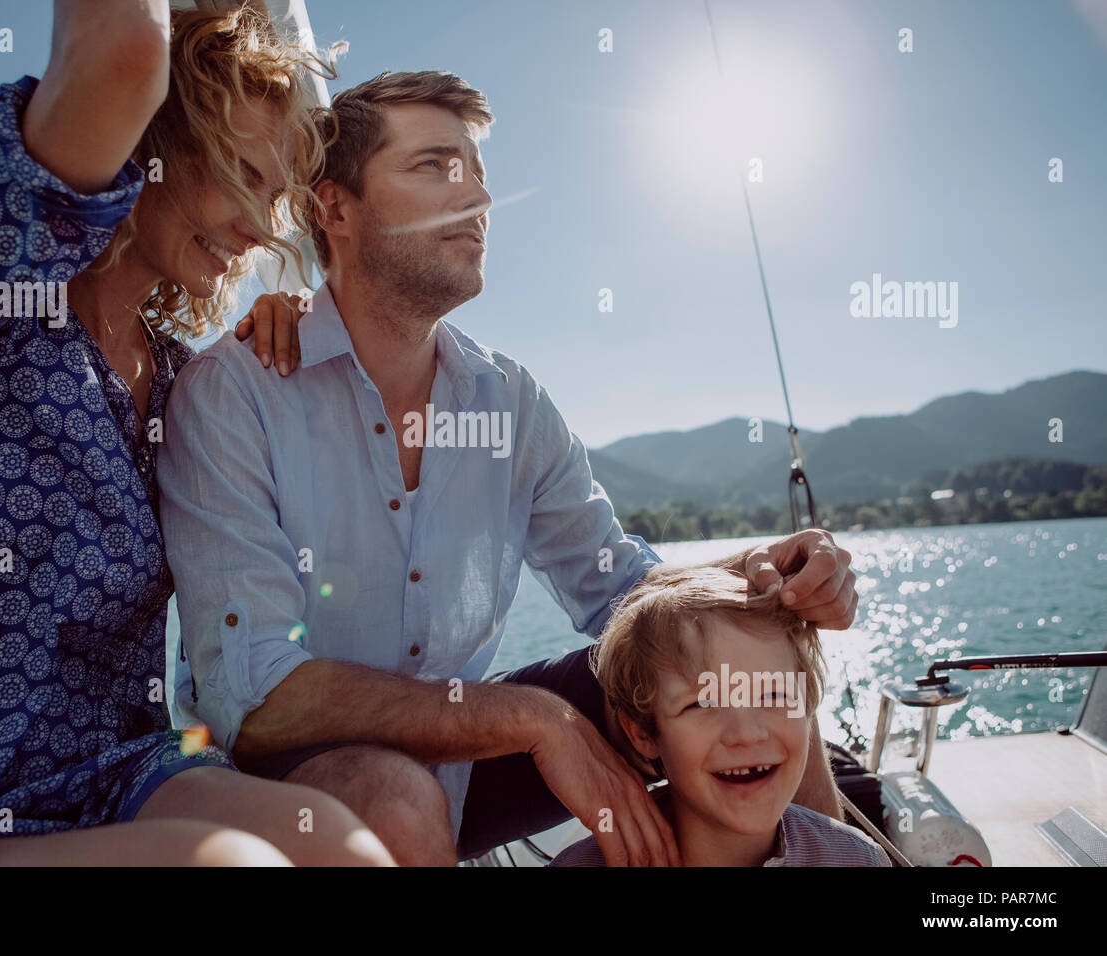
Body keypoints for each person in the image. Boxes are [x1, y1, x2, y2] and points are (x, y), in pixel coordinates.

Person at [160, 70, 858, 867]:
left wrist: (762, 573)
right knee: (393, 797)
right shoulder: (234, 393)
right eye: (434, 166)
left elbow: (621, 591)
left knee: (746, 644)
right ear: (335, 207)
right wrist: (534, 719)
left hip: (468, 762)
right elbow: (254, 698)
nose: (480, 200)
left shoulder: (509, 401)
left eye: (479, 176)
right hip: (287, 781)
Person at [0, 1, 390, 867]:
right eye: (238, 172)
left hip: (119, 774)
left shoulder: (190, 389)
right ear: (145, 144)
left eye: (273, 195)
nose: (259, 226)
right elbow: (119, 49)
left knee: (344, 848)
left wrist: (294, 326)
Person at [548, 566, 890, 866]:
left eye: (774, 695)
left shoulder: (859, 858)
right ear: (644, 732)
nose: (747, 733)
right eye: (701, 704)